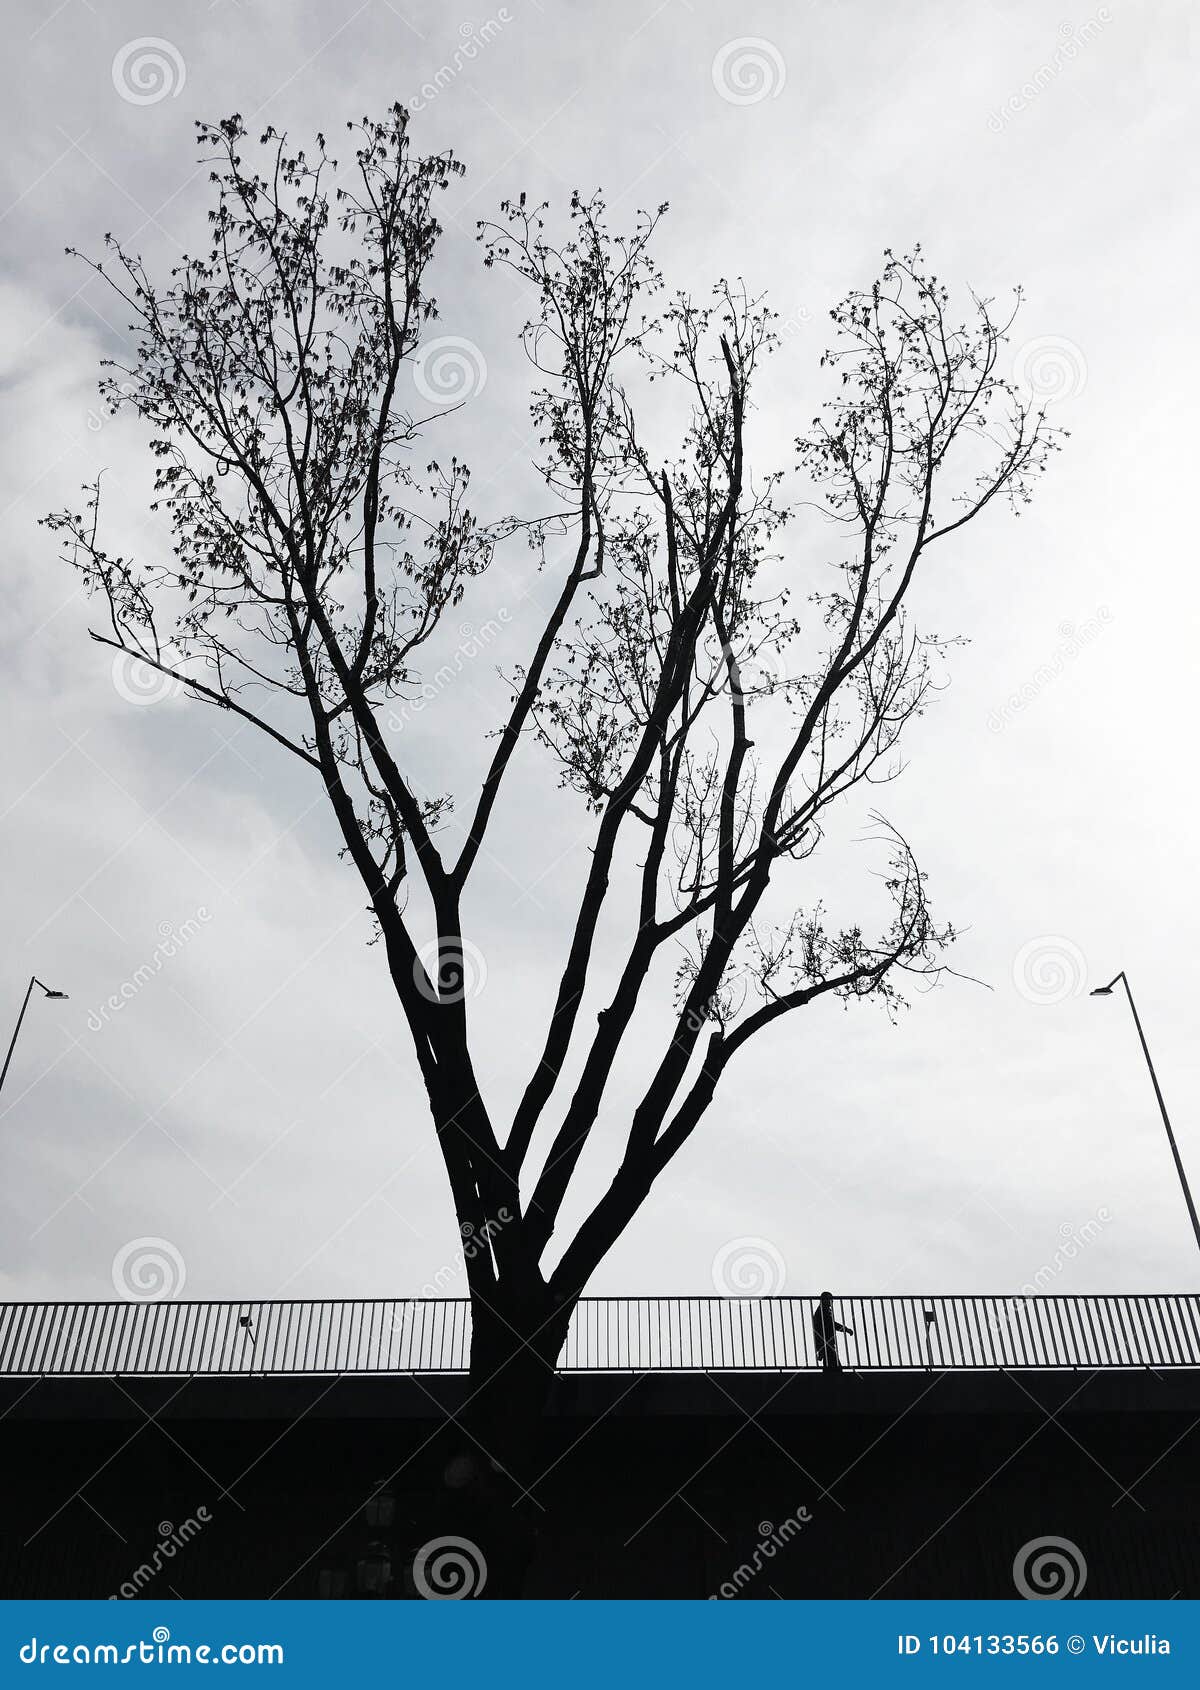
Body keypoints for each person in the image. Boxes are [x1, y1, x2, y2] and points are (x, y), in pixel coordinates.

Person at [812, 1291, 852, 1371]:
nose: (832, 1301)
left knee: (829, 1367)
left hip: (825, 1344)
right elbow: (832, 1324)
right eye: (830, 1299)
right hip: (826, 1343)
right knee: (835, 1368)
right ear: (824, 1300)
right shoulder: (823, 1311)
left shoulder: (822, 1310)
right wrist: (846, 1329)